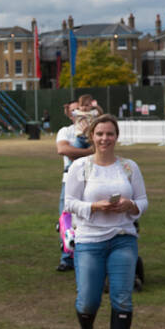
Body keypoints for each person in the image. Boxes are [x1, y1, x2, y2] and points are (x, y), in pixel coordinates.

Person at [64, 112, 148, 329]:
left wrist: (130, 205)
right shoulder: (80, 166)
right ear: (92, 136)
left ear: (116, 136)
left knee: (122, 298)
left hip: (123, 239)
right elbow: (69, 203)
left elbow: (143, 201)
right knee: (88, 300)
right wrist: (94, 207)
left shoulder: (129, 167)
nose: (104, 138)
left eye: (110, 134)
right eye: (100, 134)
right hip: (89, 240)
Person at [54, 100, 95, 270]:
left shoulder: (95, 130)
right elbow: (63, 150)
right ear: (69, 114)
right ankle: (67, 258)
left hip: (92, 179)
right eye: (73, 111)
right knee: (67, 218)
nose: (78, 113)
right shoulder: (65, 131)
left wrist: (77, 154)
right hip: (70, 179)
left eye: (80, 109)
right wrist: (90, 152)